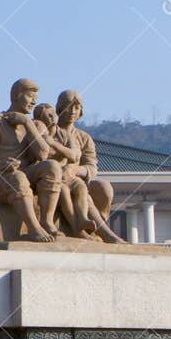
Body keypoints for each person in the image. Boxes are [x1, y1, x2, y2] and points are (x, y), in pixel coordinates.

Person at [0, 79, 61, 242]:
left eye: (36, 97)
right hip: (1, 180)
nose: (34, 101)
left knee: (52, 166)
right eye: (30, 96)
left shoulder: (34, 124)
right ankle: (34, 228)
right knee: (18, 177)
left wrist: (27, 123)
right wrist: (1, 164)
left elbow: (44, 154)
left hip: (28, 174)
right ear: (16, 95)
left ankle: (46, 221)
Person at [48, 90, 123, 242]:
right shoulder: (49, 132)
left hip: (76, 180)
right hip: (54, 180)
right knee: (82, 194)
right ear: (59, 107)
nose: (72, 111)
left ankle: (95, 227)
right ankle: (104, 234)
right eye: (68, 106)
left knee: (102, 187)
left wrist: (75, 170)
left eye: (77, 107)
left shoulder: (84, 137)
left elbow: (91, 167)